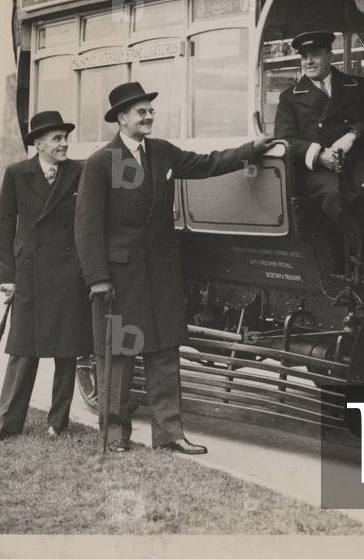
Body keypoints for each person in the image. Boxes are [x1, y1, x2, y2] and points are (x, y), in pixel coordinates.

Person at [75, 81, 272, 454]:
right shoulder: (103, 161)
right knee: (119, 354)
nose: (149, 115)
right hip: (119, 278)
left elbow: (208, 163)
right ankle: (116, 434)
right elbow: (86, 225)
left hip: (161, 274)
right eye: (141, 111)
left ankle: (170, 434)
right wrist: (97, 277)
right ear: (121, 118)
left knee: (163, 352)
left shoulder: (163, 153)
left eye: (150, 110)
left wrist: (250, 150)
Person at [0, 110, 92, 441]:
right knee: (23, 350)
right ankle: (8, 422)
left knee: (66, 350)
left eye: (65, 138)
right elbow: (4, 226)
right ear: (38, 143)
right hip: (29, 273)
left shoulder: (81, 171)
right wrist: (6, 272)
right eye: (56, 139)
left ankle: (58, 422)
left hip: (69, 273)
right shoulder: (17, 174)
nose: (63, 144)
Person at [273, 32, 364, 259]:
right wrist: (319, 155)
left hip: (355, 161)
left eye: (314, 55)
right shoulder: (290, 98)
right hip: (314, 169)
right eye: (304, 56)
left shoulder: (356, 86)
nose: (308, 61)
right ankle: (360, 258)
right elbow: (285, 140)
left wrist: (353, 135)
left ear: (329, 55)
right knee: (334, 195)